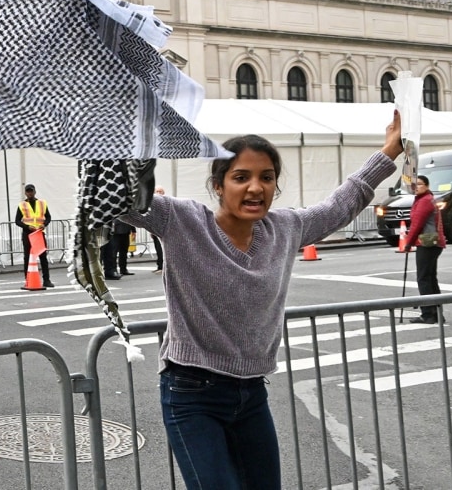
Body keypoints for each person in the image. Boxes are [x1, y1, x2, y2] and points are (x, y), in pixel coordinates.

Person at [118, 111, 402, 490]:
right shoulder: (182, 220)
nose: (256, 188)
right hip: (192, 394)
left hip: (252, 393)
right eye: (241, 177)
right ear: (218, 185)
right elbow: (116, 201)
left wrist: (389, 151)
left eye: (266, 177)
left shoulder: (285, 228)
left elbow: (339, 206)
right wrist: (128, 140)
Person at [402, 174, 447, 323]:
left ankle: (428, 314)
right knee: (430, 278)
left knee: (424, 279)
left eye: (419, 184)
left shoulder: (424, 201)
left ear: (427, 186)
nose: (416, 187)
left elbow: (417, 224)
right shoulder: (427, 199)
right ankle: (437, 314)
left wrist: (408, 243)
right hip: (433, 242)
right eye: (414, 185)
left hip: (427, 243)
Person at [14, 183, 54, 287]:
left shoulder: (42, 203)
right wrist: (27, 227)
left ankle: (46, 280)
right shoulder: (22, 205)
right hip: (28, 234)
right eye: (28, 191)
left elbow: (48, 217)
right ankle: (28, 280)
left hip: (39, 233)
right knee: (27, 257)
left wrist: (44, 224)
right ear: (25, 193)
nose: (30, 193)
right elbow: (17, 221)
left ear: (35, 192)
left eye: (31, 191)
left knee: (43, 257)